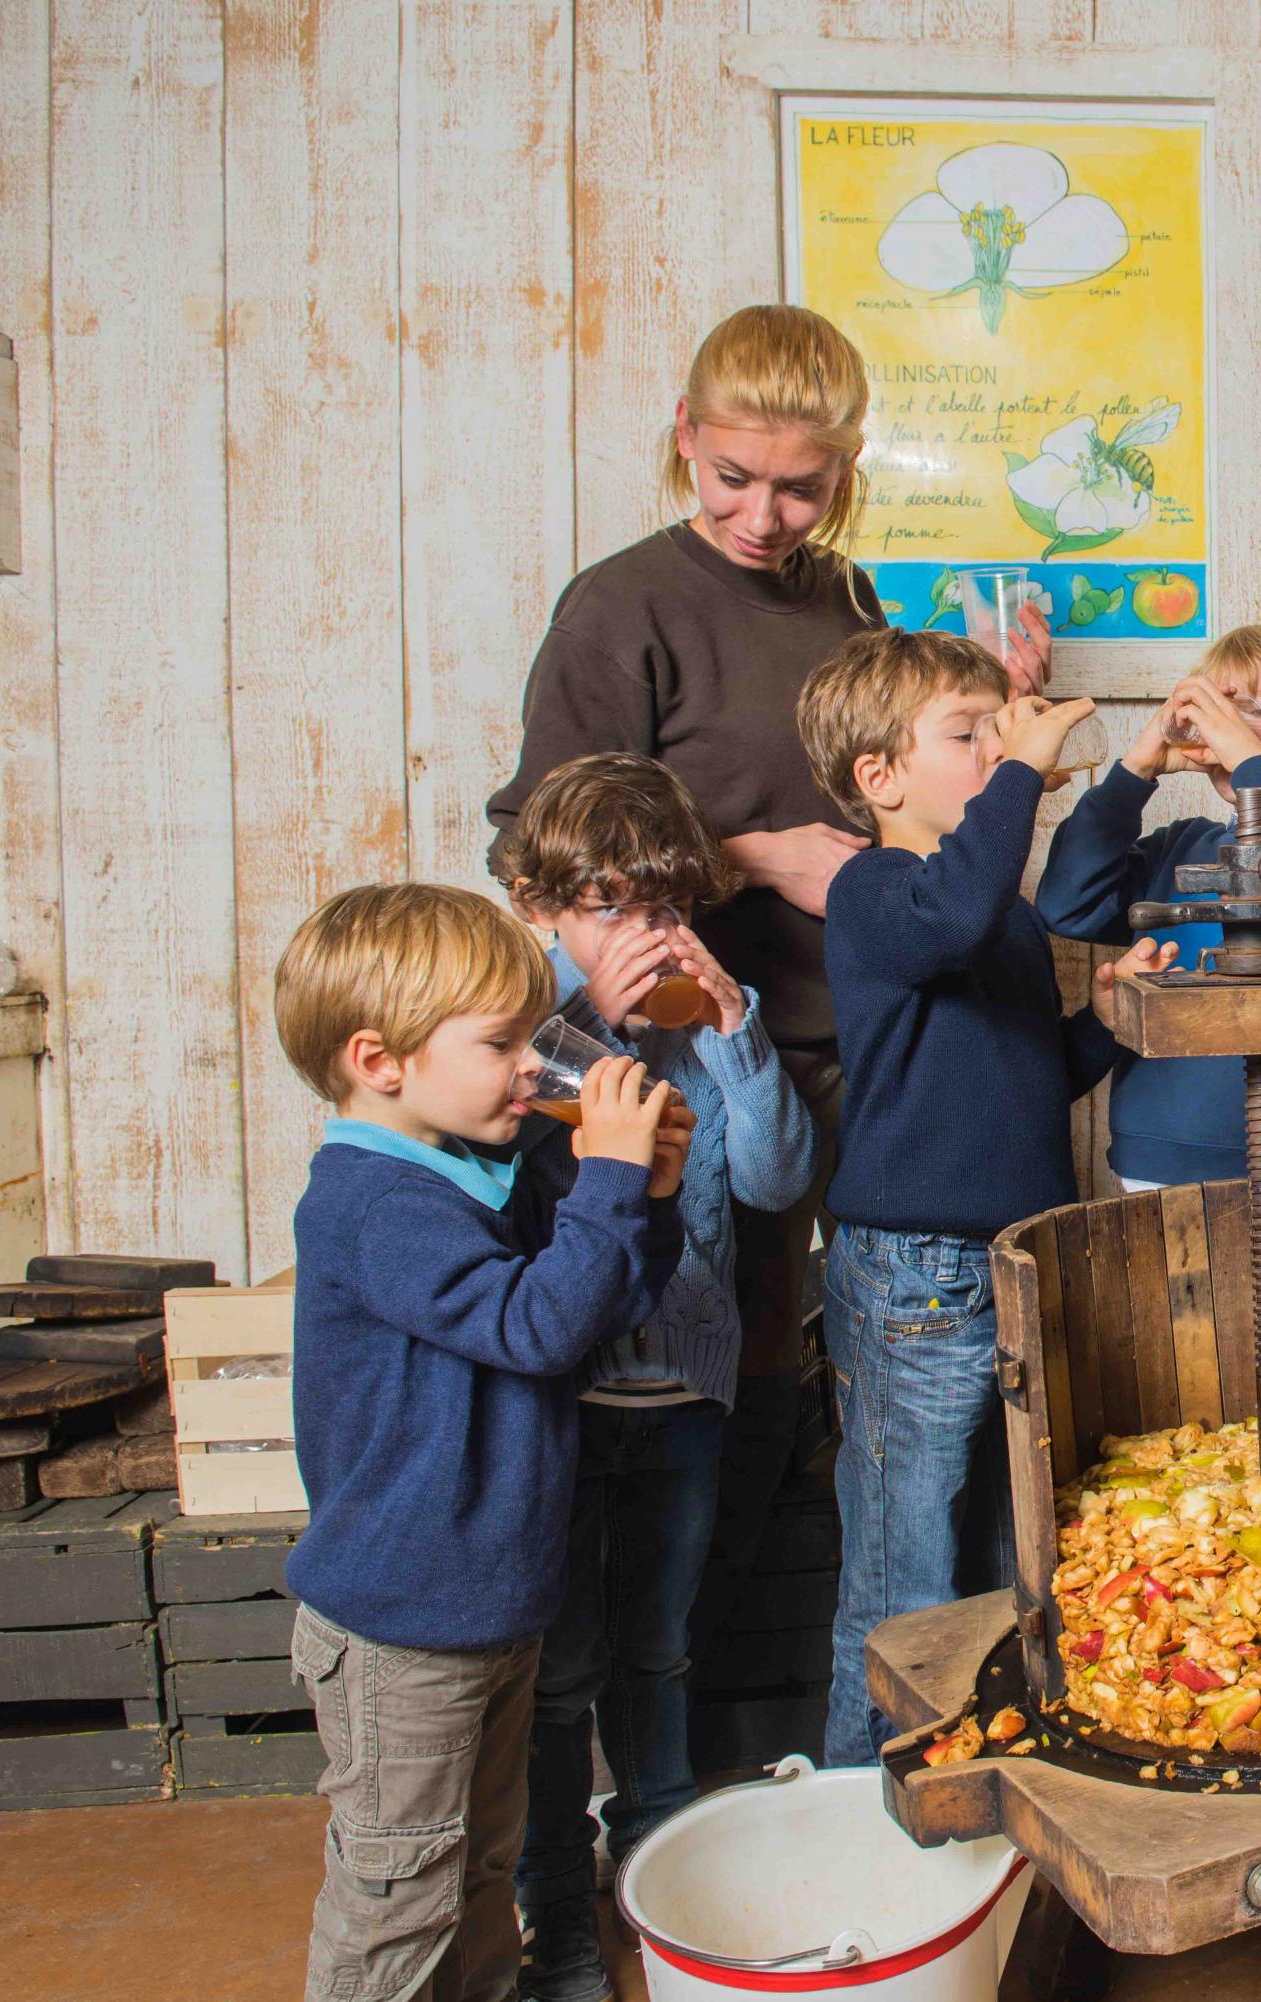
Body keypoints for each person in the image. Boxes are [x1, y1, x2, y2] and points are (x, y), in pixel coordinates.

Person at [483, 304, 1054, 1668]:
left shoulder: (851, 602)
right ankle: (674, 1712)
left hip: (870, 1051)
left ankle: (804, 1689)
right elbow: (542, 843)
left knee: (841, 1397)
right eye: (731, 477)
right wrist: (745, 858)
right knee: (699, 1390)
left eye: (801, 485)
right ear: (684, 441)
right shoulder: (621, 607)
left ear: (848, 470)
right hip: (703, 1065)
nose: (763, 512)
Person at [272, 884, 685, 2002]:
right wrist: (602, 1174)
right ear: (380, 1059)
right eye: (501, 1042)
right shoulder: (374, 1202)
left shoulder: (464, 1176)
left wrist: (644, 1193)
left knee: (477, 1867)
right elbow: (538, 1324)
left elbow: (587, 1307)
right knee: (398, 1894)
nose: (528, 1066)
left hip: (491, 1603)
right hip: (404, 1624)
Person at [798, 628, 1171, 1763]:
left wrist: (1103, 1026)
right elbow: (952, 912)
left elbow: (1031, 1079)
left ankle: (967, 1789)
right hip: (915, 1274)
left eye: (993, 731)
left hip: (1009, 1258)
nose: (998, 747)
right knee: (902, 1579)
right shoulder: (873, 890)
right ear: (880, 778)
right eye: (966, 735)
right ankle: (865, 1810)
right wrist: (1025, 766)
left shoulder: (997, 915)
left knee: (992, 1561)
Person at [498, 754, 819, 2001]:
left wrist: (735, 1028)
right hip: (564, 1402)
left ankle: (662, 1880)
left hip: (686, 1393)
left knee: (660, 1652)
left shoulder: (709, 1037)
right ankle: (559, 1916)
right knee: (560, 1669)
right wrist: (593, 1019)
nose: (646, 935)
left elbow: (781, 1181)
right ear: (542, 909)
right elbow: (525, 1173)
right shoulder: (518, 1036)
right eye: (609, 909)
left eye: (664, 909)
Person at [1034, 624, 1261, 1190]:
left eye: (1254, 713)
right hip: (1159, 1149)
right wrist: (1137, 767)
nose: (1226, 730)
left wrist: (1251, 762)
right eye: (1219, 711)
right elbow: (1068, 904)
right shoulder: (1180, 844)